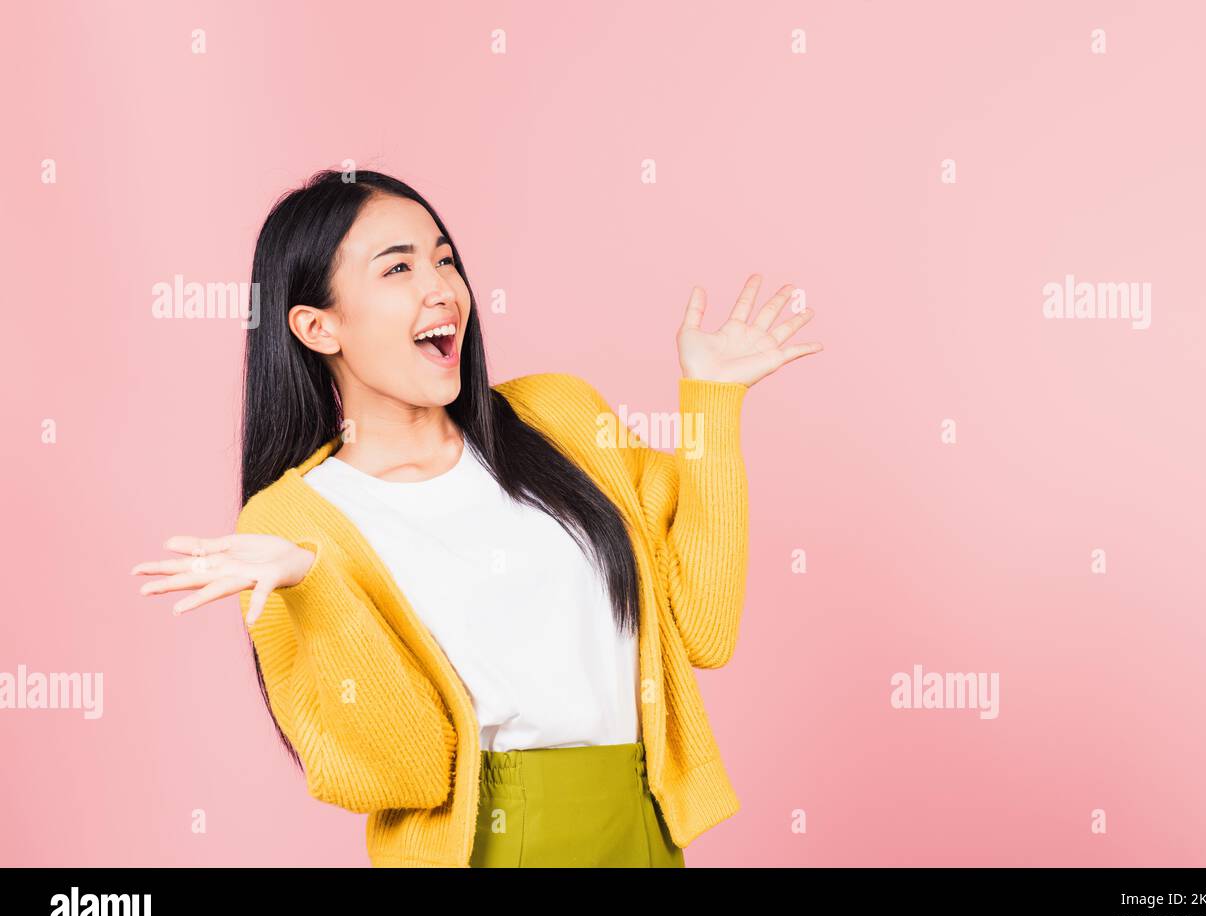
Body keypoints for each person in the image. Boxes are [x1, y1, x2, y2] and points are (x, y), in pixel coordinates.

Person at [130, 169, 823, 866]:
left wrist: (713, 400)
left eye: (444, 258)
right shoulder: (295, 520)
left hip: (642, 822)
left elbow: (703, 625)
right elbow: (411, 770)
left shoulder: (561, 418)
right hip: (490, 841)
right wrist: (318, 589)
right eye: (397, 266)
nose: (441, 286)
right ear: (319, 326)